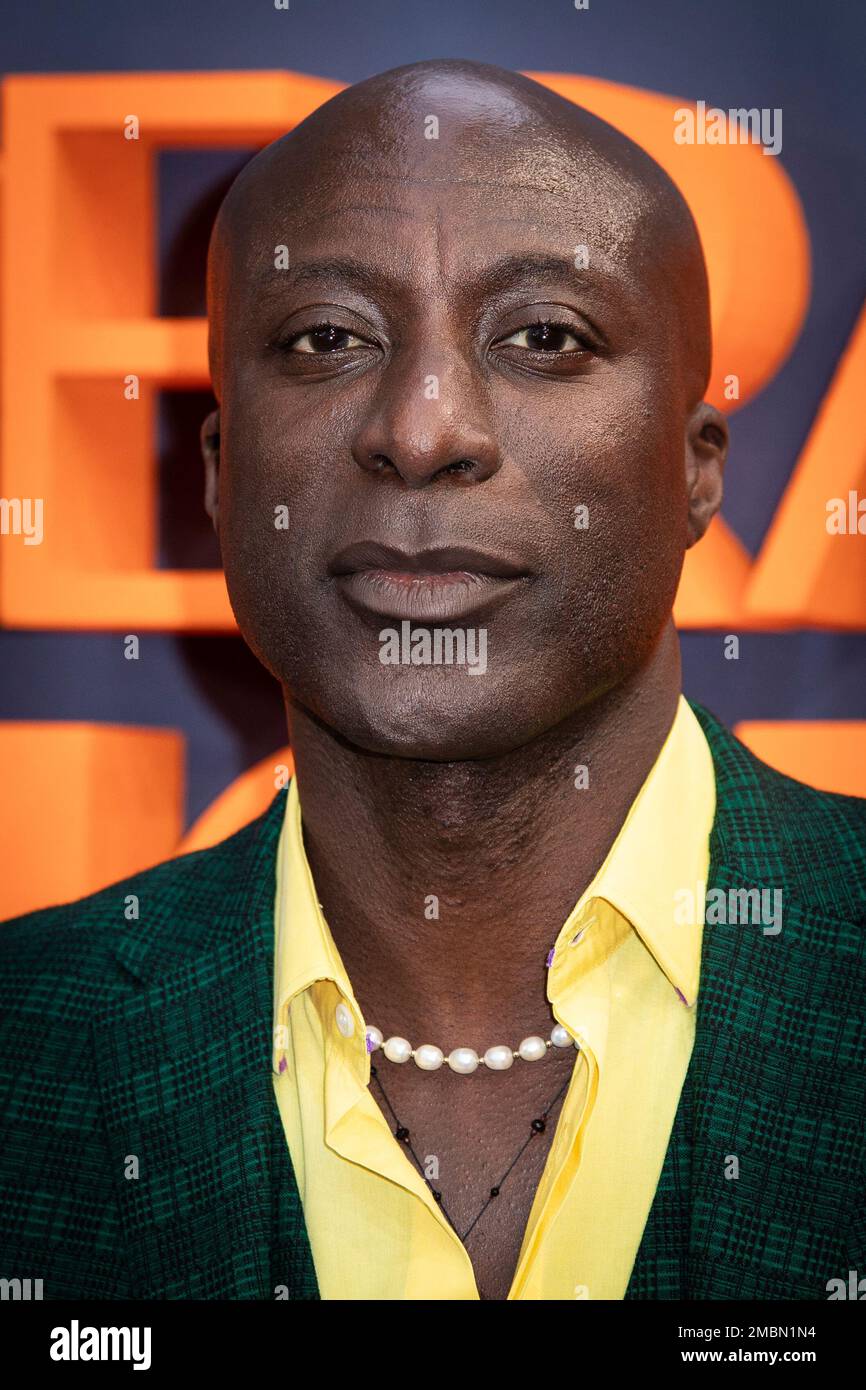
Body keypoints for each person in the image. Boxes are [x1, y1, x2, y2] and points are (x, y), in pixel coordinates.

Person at [1, 59, 863, 1302]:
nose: (421, 426)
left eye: (543, 336)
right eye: (327, 338)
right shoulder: (26, 1035)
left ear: (695, 472)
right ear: (220, 468)